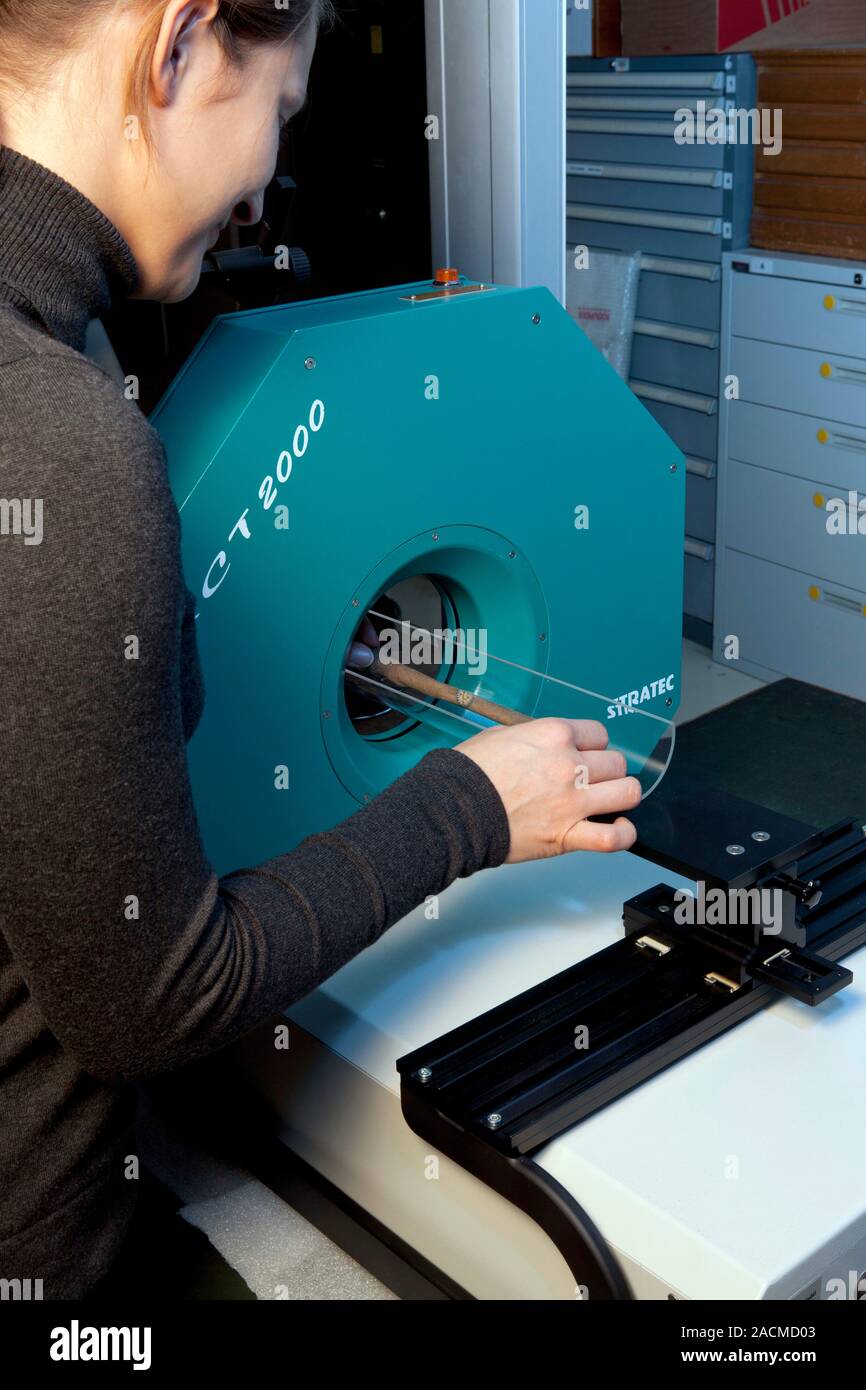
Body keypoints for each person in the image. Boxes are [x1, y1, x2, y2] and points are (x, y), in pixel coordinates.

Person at [0, 0, 641, 1299]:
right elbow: (153, 1000)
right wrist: (474, 803)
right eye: (278, 116)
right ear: (173, 44)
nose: (257, 195)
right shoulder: (62, 441)